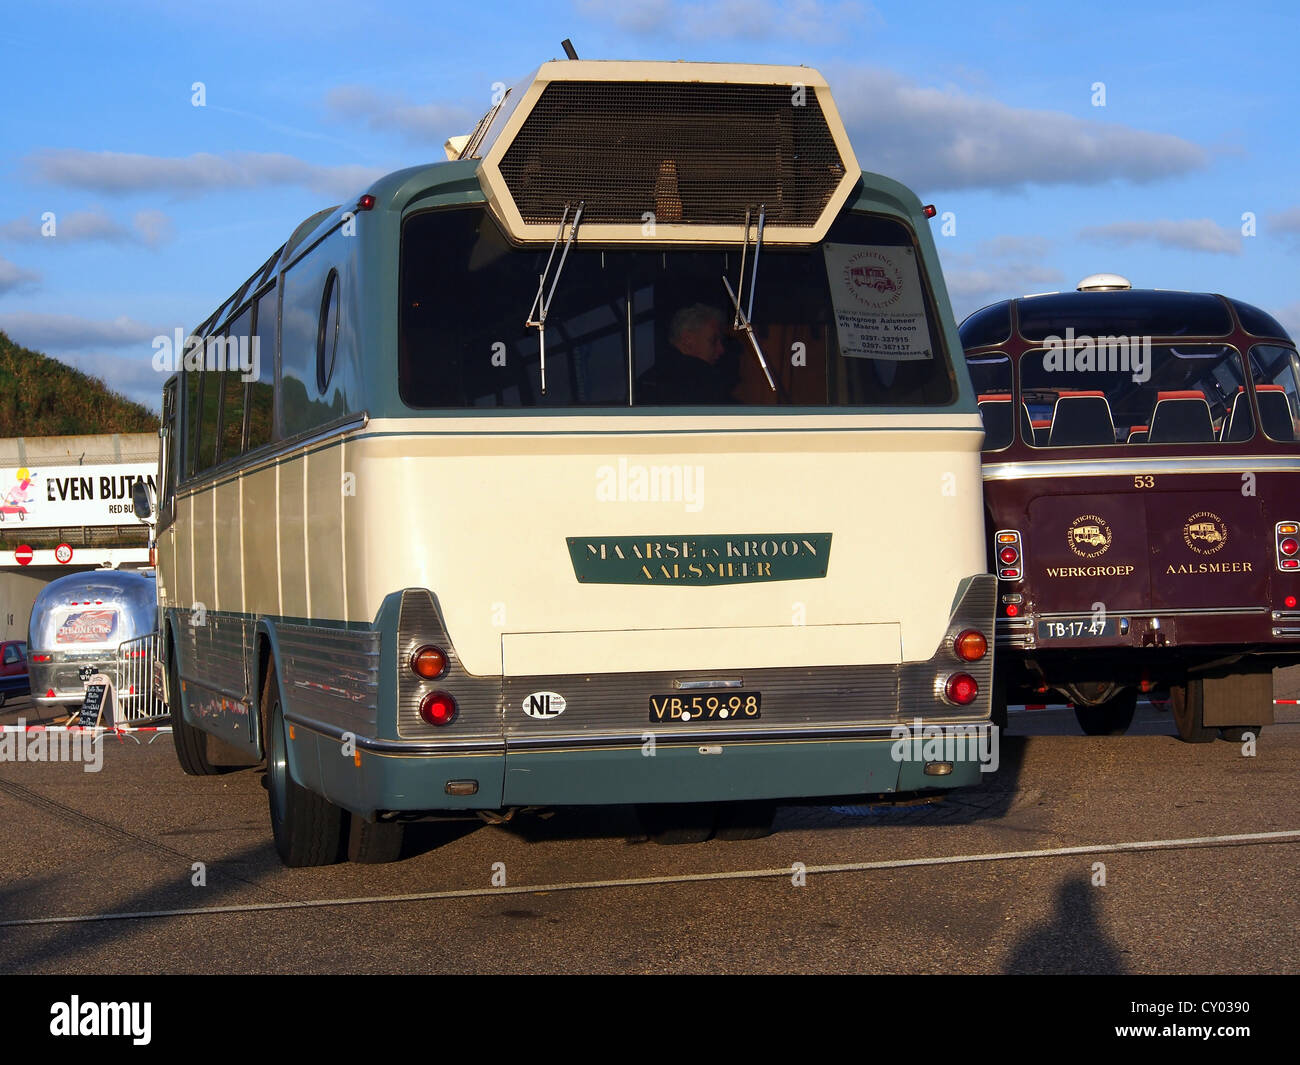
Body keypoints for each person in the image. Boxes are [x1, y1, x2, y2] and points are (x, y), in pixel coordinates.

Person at [640, 303, 738, 404]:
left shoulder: (642, 383)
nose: (721, 349)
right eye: (713, 341)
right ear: (687, 340)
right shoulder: (704, 379)